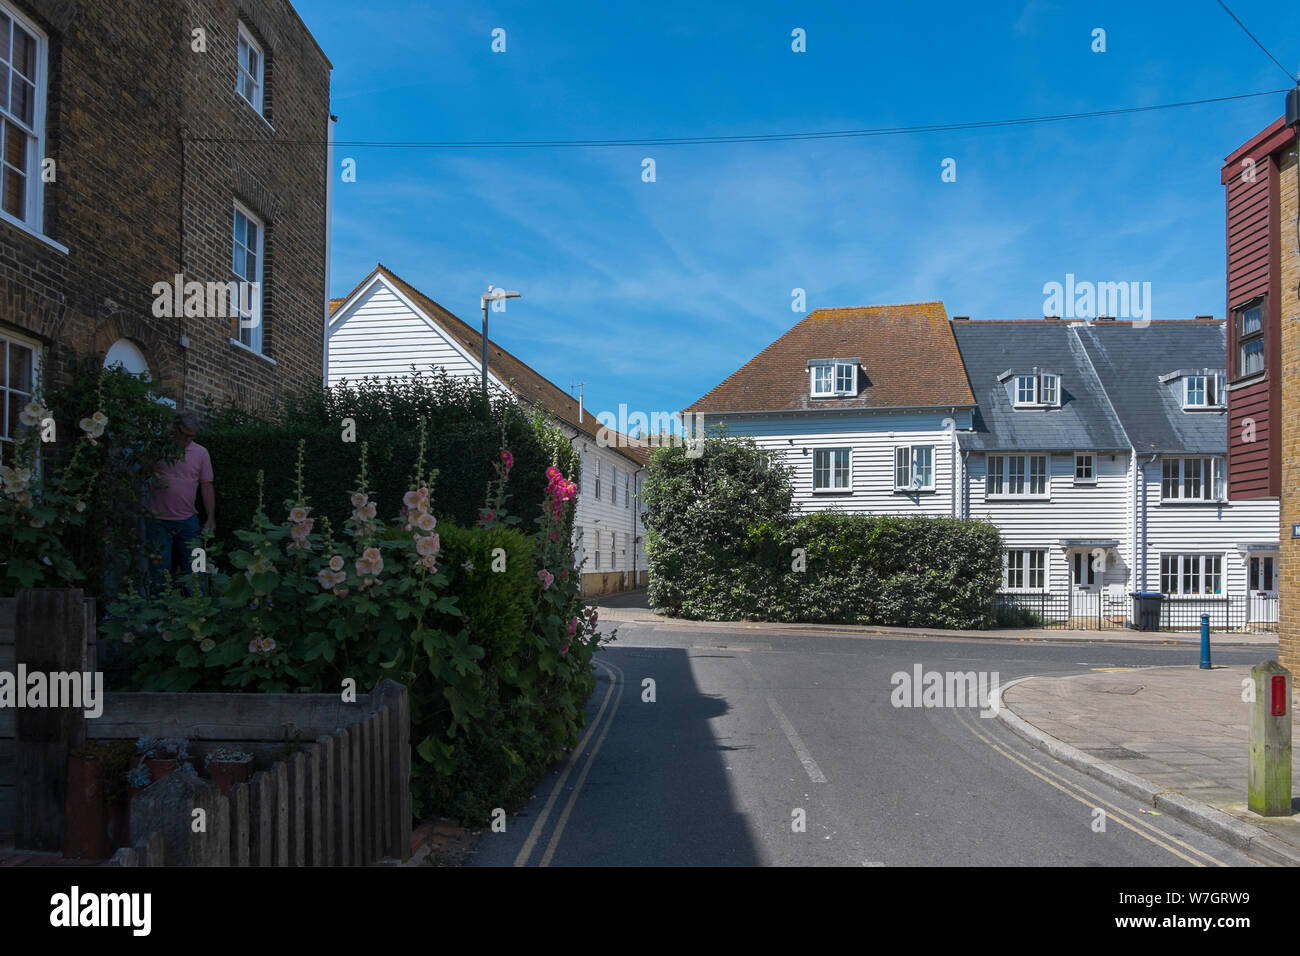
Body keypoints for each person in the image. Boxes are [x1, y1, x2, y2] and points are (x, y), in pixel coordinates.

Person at [146, 410, 215, 590]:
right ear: (175, 428)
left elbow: (206, 485)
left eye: (191, 437)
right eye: (184, 435)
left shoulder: (201, 453)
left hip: (189, 521)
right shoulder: (159, 448)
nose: (187, 440)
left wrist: (210, 517)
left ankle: (199, 609)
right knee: (159, 570)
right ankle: (159, 613)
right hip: (158, 521)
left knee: (197, 567)